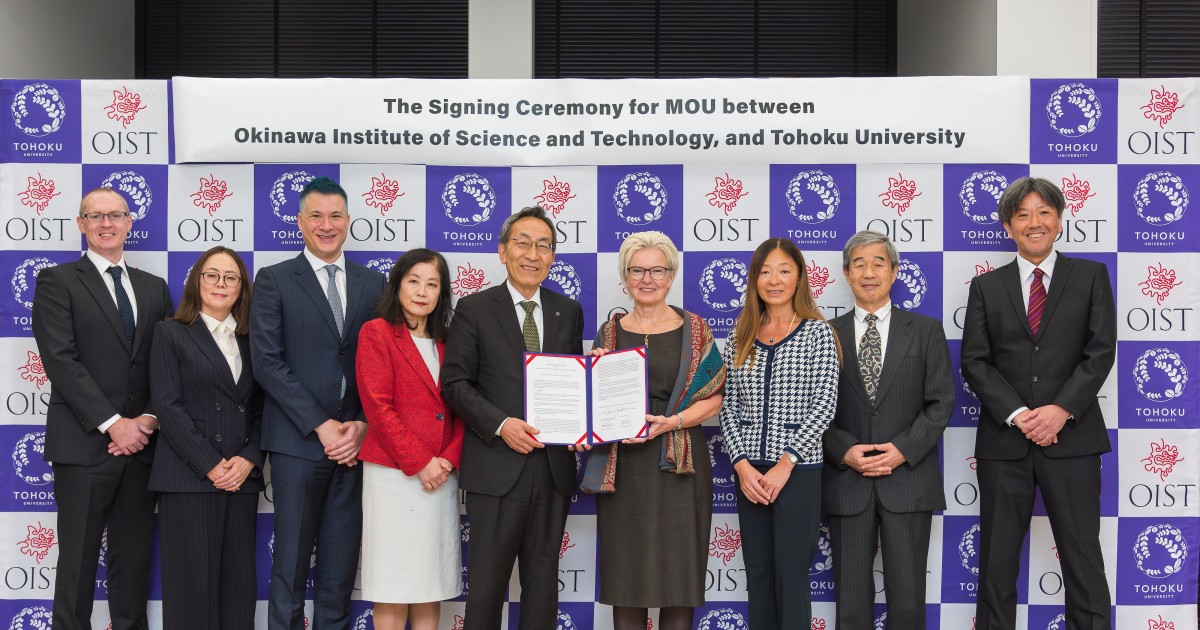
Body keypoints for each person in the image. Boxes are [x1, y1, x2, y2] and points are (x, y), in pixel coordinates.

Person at [962, 177, 1116, 630]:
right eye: (1024, 215)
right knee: (996, 563)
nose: (1035, 223)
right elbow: (975, 361)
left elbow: (1100, 350)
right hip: (1004, 445)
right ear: (1008, 225)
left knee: (1083, 560)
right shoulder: (986, 287)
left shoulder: (1090, 276)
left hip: (1073, 441)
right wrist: (1017, 414)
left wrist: (1060, 410)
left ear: (1060, 220)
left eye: (1045, 212)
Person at [31, 187, 173, 630]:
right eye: (96, 216)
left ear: (130, 222)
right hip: (83, 444)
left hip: (141, 447)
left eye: (115, 215)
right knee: (76, 562)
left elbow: (167, 364)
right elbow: (61, 360)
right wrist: (114, 425)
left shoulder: (154, 288)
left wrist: (146, 420)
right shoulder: (57, 280)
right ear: (81, 224)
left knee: (131, 562)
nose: (106, 224)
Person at [250, 176, 386, 629]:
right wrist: (322, 425)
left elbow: (386, 365)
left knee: (339, 572)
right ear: (300, 222)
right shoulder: (273, 280)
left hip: (355, 447)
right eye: (316, 216)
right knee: (288, 568)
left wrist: (363, 424)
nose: (326, 225)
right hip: (298, 445)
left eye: (335, 216)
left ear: (348, 221)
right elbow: (267, 363)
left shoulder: (374, 284)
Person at [441, 205, 585, 630]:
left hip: (553, 467)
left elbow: (572, 382)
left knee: (543, 589)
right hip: (495, 470)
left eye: (544, 245)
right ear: (502, 251)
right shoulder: (474, 308)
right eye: (523, 243)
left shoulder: (568, 310)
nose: (533, 253)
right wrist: (502, 425)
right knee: (486, 587)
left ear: (553, 257)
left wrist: (588, 411)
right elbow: (455, 385)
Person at [581, 232, 726, 630]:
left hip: (680, 465)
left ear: (672, 274)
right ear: (624, 277)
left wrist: (672, 422)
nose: (647, 278)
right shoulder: (607, 334)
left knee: (679, 578)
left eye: (657, 269)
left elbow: (716, 397)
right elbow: (589, 404)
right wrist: (593, 373)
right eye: (637, 269)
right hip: (623, 466)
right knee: (626, 577)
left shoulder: (696, 331)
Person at [822, 230, 954, 630]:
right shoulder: (824, 333)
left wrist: (902, 449)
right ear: (846, 274)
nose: (869, 272)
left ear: (894, 272)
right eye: (859, 264)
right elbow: (813, 409)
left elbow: (941, 400)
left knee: (909, 600)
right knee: (849, 602)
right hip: (848, 481)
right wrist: (844, 450)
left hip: (908, 479)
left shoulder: (926, 330)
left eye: (879, 263)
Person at [718, 237, 840, 630]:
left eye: (784, 270)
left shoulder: (818, 334)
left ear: (800, 277)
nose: (774, 279)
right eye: (765, 271)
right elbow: (728, 406)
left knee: (791, 572)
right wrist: (740, 464)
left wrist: (786, 464)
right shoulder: (739, 336)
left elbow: (824, 405)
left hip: (797, 472)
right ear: (754, 279)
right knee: (759, 573)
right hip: (749, 473)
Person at [149, 246, 263, 630]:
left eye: (231, 277)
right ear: (197, 281)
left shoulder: (253, 339)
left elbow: (265, 408)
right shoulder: (170, 332)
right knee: (191, 597)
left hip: (240, 480)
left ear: (241, 288)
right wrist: (212, 465)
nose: (221, 284)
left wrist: (248, 459)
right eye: (211, 275)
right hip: (190, 479)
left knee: (239, 594)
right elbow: (167, 406)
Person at [356, 249, 464, 630]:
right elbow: (378, 408)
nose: (422, 291)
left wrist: (448, 460)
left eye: (432, 284)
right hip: (394, 478)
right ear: (398, 284)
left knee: (427, 585)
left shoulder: (450, 340)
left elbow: (462, 408)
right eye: (414, 281)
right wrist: (421, 462)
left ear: (442, 292)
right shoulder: (377, 332)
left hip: (440, 478)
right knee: (392, 584)